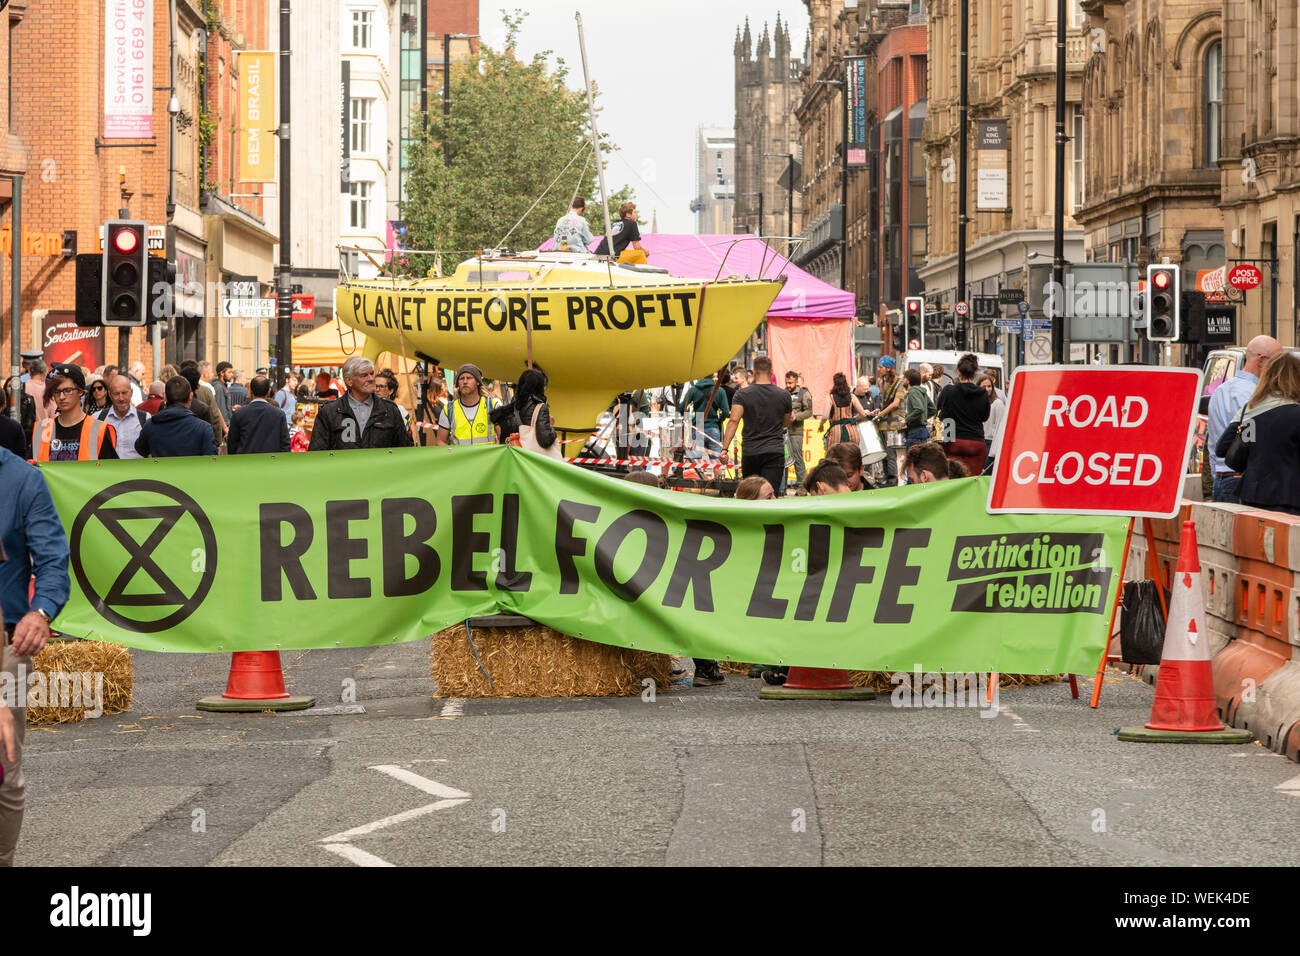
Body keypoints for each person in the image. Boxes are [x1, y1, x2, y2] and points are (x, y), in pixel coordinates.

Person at [0, 441, 71, 866]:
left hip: (9, 643)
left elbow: (52, 561)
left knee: (4, 766)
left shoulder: (24, 480)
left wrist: (40, 612)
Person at [1214, 351, 1300, 515]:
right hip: (1291, 500)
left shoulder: (1251, 412)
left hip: (1252, 498)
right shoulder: (1297, 413)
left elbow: (1222, 449)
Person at [1207, 335, 1282, 503]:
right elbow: (1252, 443)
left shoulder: (1220, 391)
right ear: (1261, 360)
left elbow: (1212, 444)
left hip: (1222, 479)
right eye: (1277, 362)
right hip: (1242, 481)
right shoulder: (1254, 396)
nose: (1279, 369)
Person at [720, 356, 793, 493]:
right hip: (774, 451)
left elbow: (733, 421)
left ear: (752, 372)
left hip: (751, 451)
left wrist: (724, 449)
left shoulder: (742, 395)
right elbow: (785, 422)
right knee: (770, 495)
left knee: (751, 496)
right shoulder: (784, 395)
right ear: (771, 371)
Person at [309, 356, 414, 451]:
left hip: (380, 472)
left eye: (372, 374)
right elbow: (317, 454)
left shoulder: (390, 410)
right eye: (364, 375)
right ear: (349, 381)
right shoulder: (329, 412)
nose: (371, 379)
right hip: (343, 472)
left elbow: (404, 451)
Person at [31, 364, 118, 462]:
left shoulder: (99, 430)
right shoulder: (41, 429)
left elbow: (109, 472)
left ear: (80, 391)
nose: (62, 396)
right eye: (56, 391)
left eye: (68, 390)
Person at [135, 376, 219, 458]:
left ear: (165, 397)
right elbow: (211, 460)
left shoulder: (150, 425)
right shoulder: (203, 428)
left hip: (161, 471)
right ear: (191, 396)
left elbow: (141, 448)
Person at [936, 353, 991, 477]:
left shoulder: (949, 391)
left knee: (953, 480)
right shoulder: (982, 393)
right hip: (976, 441)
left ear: (958, 372)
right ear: (975, 373)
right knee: (973, 481)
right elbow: (984, 417)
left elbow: (941, 416)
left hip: (954, 441)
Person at [435, 364, 500, 446]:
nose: (465, 382)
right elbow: (440, 441)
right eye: (461, 378)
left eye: (469, 378)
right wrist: (453, 457)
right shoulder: (449, 410)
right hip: (460, 458)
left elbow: (503, 436)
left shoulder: (492, 406)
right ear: (458, 383)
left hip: (488, 458)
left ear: (477, 382)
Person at [226, 375, 291, 455]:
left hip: (245, 462)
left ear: (251, 391)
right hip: (271, 462)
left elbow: (232, 443)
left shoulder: (239, 414)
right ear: (269, 391)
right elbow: (285, 444)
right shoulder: (279, 414)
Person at [509, 367, 562, 459]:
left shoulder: (515, 405)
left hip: (521, 456)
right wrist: (551, 425)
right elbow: (545, 440)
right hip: (539, 460)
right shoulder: (540, 406)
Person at [870, 356, 905, 486]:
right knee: (884, 452)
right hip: (883, 423)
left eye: (881, 367)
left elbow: (896, 403)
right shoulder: (883, 381)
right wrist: (878, 411)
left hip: (893, 424)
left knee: (891, 454)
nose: (878, 369)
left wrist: (881, 414)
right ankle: (885, 478)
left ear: (888, 368)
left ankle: (893, 480)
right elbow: (884, 403)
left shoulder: (899, 382)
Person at [97, 375, 150, 460]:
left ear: (131, 392)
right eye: (116, 394)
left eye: (124, 393)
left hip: (137, 472)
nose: (121, 398)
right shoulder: (97, 419)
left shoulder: (145, 418)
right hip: (108, 472)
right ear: (110, 395)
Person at [686, 369, 731, 460]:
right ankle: (718, 475)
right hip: (713, 426)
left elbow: (682, 406)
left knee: (695, 459)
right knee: (717, 460)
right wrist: (718, 420)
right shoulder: (720, 390)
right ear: (713, 376)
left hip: (698, 425)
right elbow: (726, 411)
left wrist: (690, 419)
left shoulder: (693, 390)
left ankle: (696, 474)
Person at [180, 364, 226, 447]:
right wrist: (217, 442)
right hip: (200, 444)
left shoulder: (174, 393)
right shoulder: (206, 392)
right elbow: (215, 416)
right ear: (197, 386)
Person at [785, 370, 814, 487]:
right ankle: (781, 488)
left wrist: (796, 417)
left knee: (797, 458)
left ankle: (802, 486)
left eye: (790, 383)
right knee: (783, 460)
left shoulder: (804, 393)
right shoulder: (783, 392)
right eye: (786, 382)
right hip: (783, 432)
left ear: (796, 382)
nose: (788, 385)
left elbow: (809, 411)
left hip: (796, 431)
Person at [903, 367, 936, 448]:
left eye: (904, 378)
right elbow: (933, 409)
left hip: (915, 433)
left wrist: (906, 420)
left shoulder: (913, 392)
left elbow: (919, 409)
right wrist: (923, 417)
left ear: (908, 380)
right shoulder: (922, 391)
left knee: (912, 460)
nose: (902, 380)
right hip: (924, 431)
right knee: (922, 459)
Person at [980, 374, 1006, 474]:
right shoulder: (977, 403)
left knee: (985, 474)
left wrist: (995, 451)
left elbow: (1000, 427)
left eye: (989, 386)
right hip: (979, 441)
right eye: (983, 386)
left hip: (990, 443)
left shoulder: (997, 404)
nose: (987, 389)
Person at [374, 369, 412, 435]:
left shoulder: (401, 411)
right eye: (375, 386)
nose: (377, 390)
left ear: (391, 391)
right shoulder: (366, 409)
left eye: (381, 386)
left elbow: (407, 429)